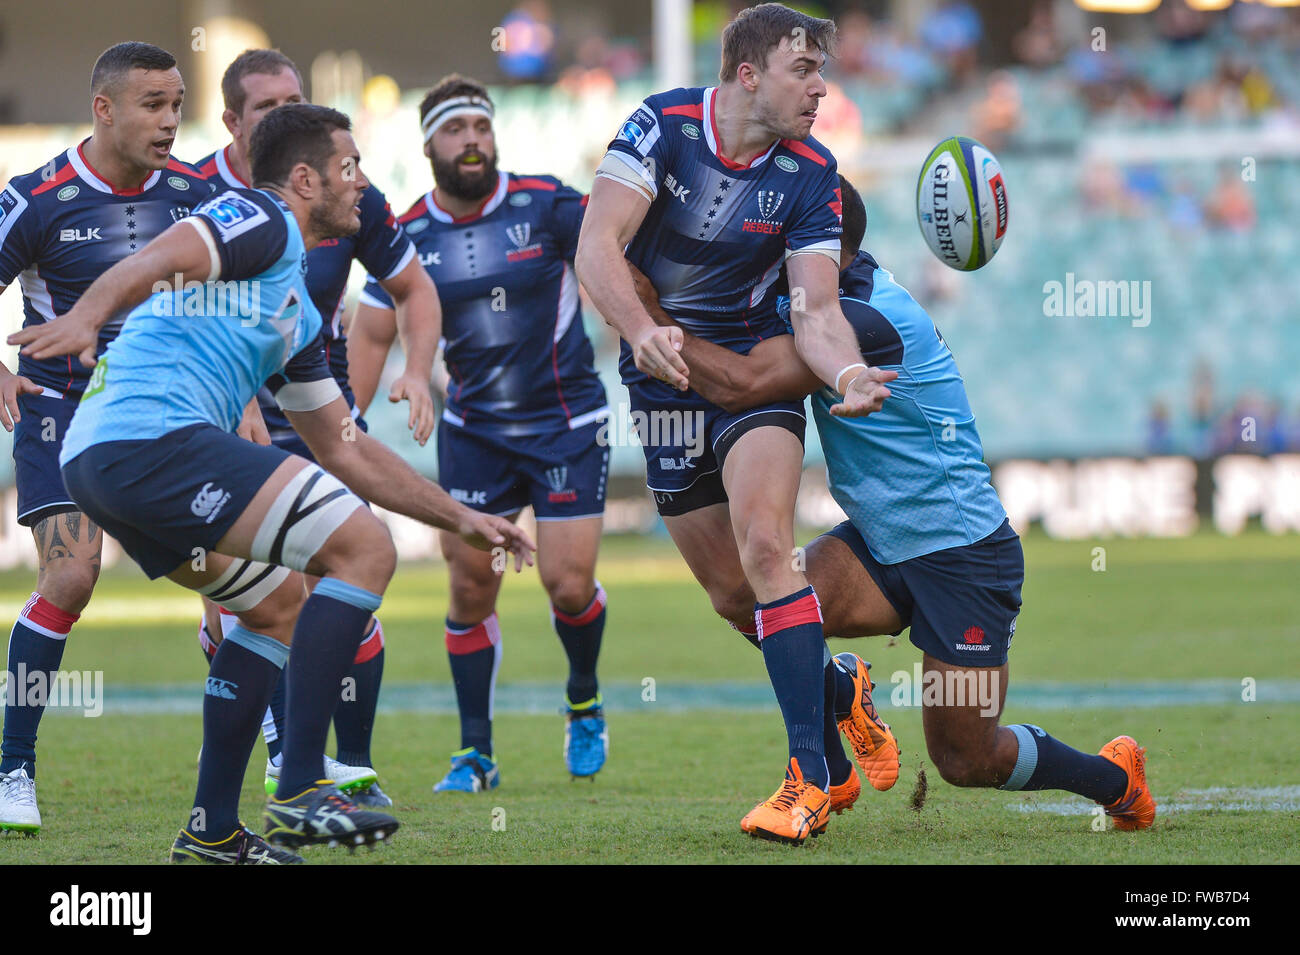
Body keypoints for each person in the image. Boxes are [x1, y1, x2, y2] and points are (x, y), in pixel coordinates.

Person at [9, 103, 535, 861]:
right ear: (305, 179)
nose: (362, 183)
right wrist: (88, 315)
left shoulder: (293, 309)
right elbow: (163, 253)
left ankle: (213, 830)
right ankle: (300, 785)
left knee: (276, 605)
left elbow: (347, 451)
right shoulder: (265, 216)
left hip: (103, 459)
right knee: (365, 549)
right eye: (349, 167)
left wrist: (462, 518)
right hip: (151, 438)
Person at [631, 175, 1156, 833]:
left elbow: (742, 383)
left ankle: (1114, 780)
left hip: (962, 555)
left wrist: (648, 316)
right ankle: (836, 713)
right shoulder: (830, 290)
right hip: (879, 546)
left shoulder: (863, 321)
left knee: (966, 758)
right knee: (756, 596)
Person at [575, 2, 895, 843]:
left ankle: (807, 777)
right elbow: (596, 244)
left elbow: (816, 310)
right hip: (661, 380)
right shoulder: (662, 126)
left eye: (822, 72)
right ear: (748, 74)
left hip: (753, 374)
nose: (820, 88)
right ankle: (838, 686)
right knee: (731, 596)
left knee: (766, 547)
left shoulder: (813, 171)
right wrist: (641, 331)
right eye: (804, 70)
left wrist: (848, 372)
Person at [193, 48, 441, 808]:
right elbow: (168, 300)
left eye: (294, 99)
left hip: (316, 409)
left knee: (353, 567)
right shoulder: (196, 195)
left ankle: (350, 763)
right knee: (249, 599)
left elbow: (414, 288)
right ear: (233, 121)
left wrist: (416, 368)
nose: (286, 115)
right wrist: (234, 405)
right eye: (267, 106)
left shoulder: (343, 190)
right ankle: (282, 756)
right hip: (217, 419)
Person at [349, 74, 612, 789]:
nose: (472, 141)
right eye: (455, 130)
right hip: (473, 433)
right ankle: (476, 754)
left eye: (481, 127)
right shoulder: (406, 233)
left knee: (567, 585)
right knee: (470, 589)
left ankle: (583, 698)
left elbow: (614, 249)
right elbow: (370, 332)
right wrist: (347, 420)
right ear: (428, 145)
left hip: (565, 425)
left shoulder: (546, 204)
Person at [0, 41, 217, 834]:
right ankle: (12, 767)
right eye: (153, 104)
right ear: (104, 108)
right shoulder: (35, 197)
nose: (169, 121)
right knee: (71, 575)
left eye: (177, 105)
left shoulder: (199, 194)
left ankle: (272, 744)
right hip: (61, 412)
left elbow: (236, 301)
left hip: (167, 416)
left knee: (233, 578)